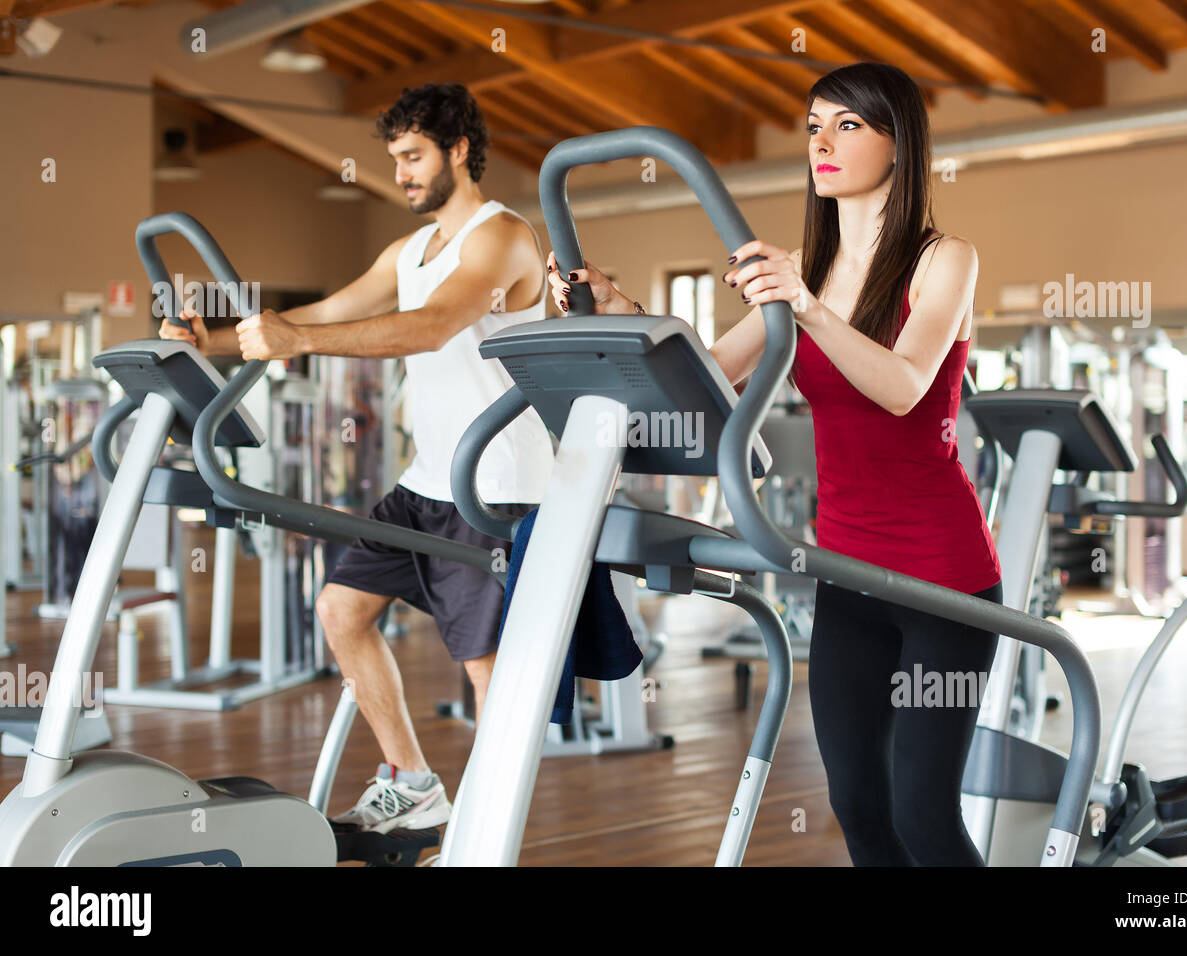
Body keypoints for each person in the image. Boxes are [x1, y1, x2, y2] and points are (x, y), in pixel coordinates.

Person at [546, 62, 1001, 866]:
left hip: (943, 579)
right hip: (846, 568)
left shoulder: (944, 259)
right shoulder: (808, 263)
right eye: (813, 127)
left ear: (900, 142)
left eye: (847, 126)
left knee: (923, 814)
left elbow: (901, 387)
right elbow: (710, 368)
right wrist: (620, 311)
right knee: (858, 804)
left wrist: (807, 305)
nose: (821, 142)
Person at [161, 83, 554, 834]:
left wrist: (297, 343)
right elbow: (329, 310)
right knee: (341, 609)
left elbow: (434, 325)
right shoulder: (408, 249)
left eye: (413, 157)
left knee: (484, 668)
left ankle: (486, 832)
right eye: (395, 158)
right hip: (427, 481)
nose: (401, 173)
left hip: (494, 487)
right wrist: (212, 343)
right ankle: (413, 782)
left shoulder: (502, 236)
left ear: (460, 150)